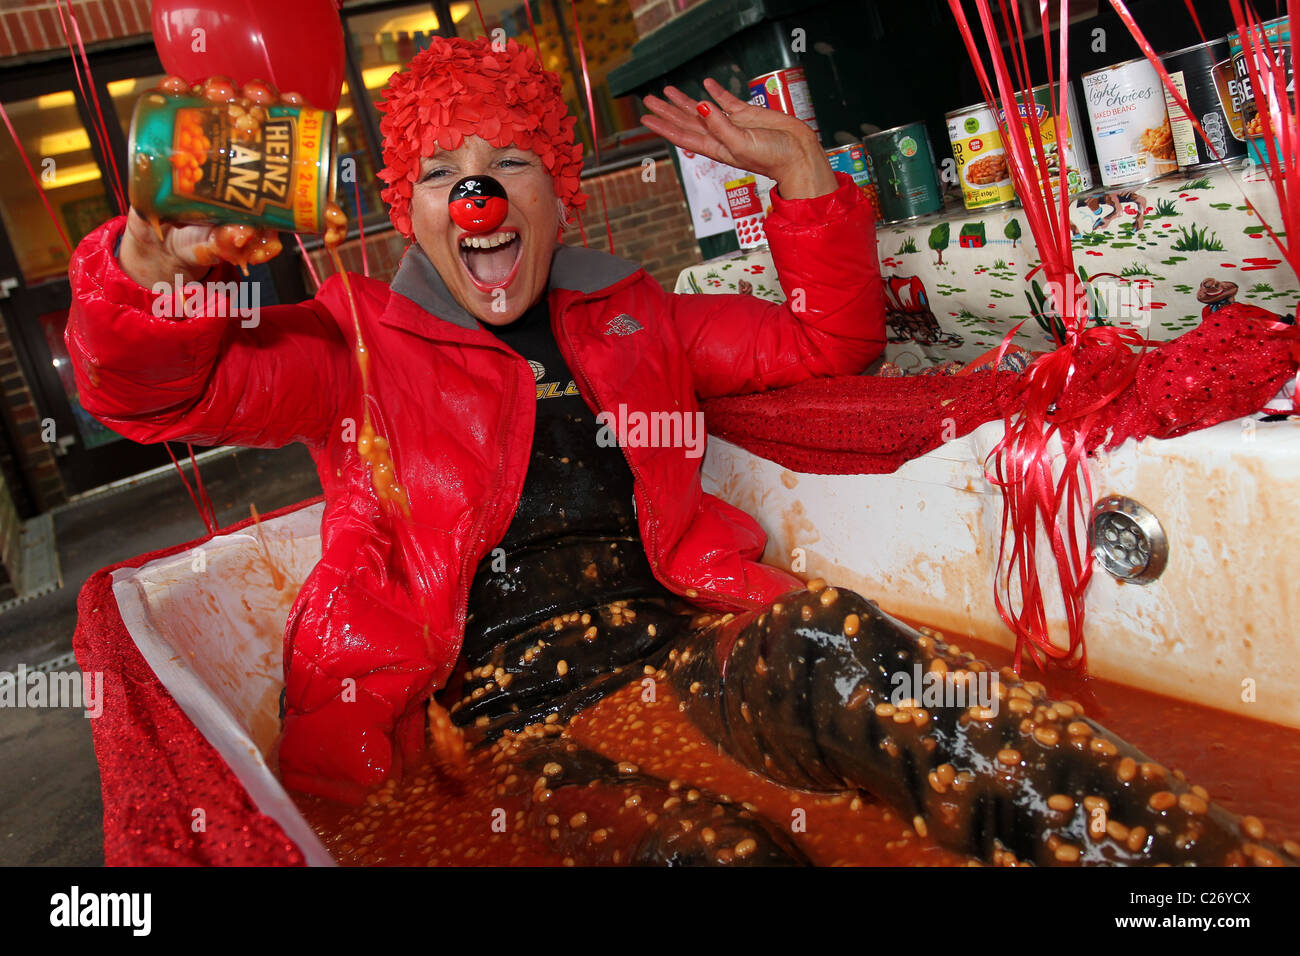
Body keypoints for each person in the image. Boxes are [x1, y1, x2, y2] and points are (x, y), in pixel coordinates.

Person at [66, 36, 884, 804]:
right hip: (506, 728)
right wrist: (153, 266)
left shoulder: (638, 316)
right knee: (697, 847)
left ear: (560, 194)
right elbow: (146, 397)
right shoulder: (351, 347)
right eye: (439, 173)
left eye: (511, 163)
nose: (475, 194)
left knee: (867, 660)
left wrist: (804, 174)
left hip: (694, 647)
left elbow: (830, 340)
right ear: (407, 213)